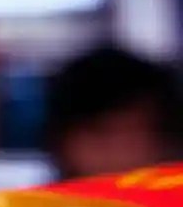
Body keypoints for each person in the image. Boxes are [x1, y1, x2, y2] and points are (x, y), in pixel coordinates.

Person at [44, 46, 180, 179]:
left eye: (137, 134)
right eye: (102, 134)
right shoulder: (34, 199)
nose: (123, 155)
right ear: (62, 142)